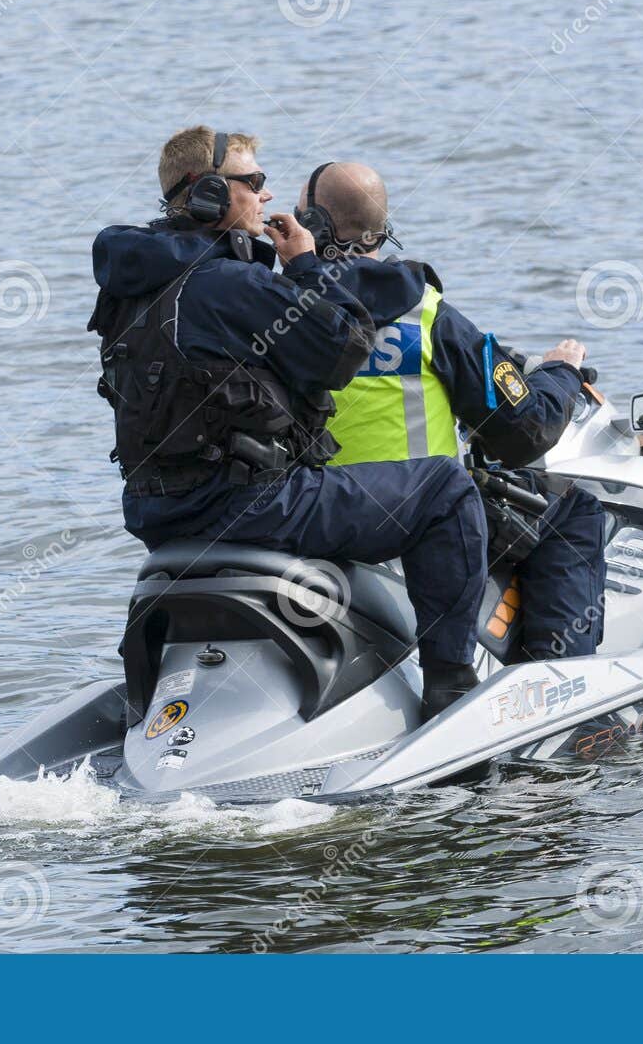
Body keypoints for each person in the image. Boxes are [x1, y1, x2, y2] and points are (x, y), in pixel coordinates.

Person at [88, 127, 488, 720]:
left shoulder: (130, 286)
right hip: (249, 505)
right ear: (209, 193)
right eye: (253, 183)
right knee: (447, 490)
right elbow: (342, 347)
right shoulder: (231, 284)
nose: (267, 196)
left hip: (156, 513)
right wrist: (303, 265)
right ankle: (452, 688)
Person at [294, 161, 607, 662]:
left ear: (312, 226)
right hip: (424, 525)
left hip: (309, 515)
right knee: (575, 510)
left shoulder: (274, 304)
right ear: (382, 231)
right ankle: (561, 681)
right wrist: (562, 372)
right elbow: (525, 432)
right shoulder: (426, 313)